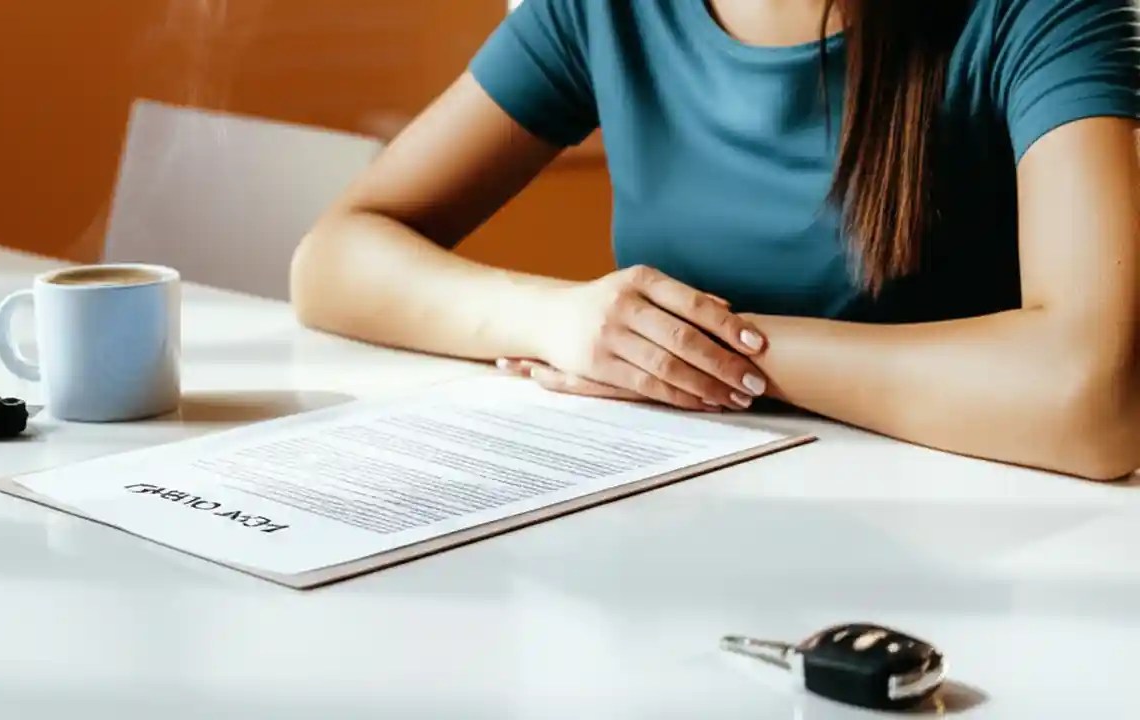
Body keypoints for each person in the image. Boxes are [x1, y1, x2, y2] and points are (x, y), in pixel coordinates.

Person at [291, 0, 1140, 480]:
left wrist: (696, 353)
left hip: (969, 539)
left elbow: (1099, 398)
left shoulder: (1045, 12)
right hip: (676, 514)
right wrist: (562, 320)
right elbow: (334, 257)